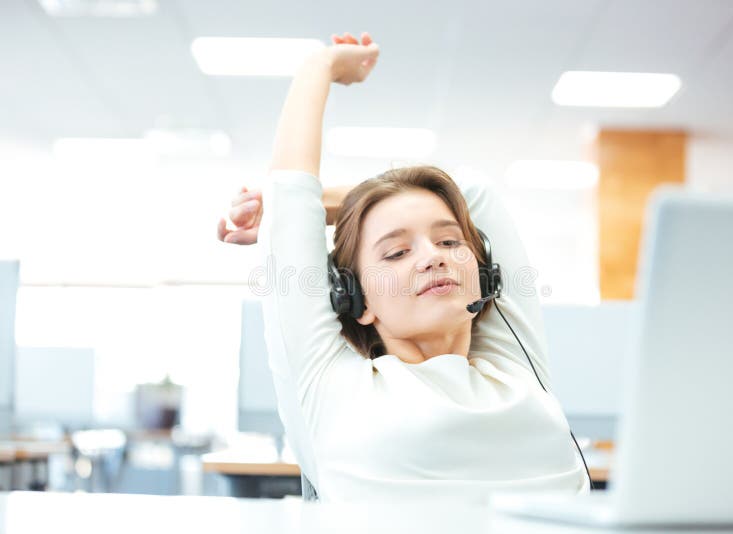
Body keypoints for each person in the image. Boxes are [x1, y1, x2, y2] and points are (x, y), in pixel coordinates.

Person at [217, 31, 590, 503]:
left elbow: (475, 192)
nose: (433, 256)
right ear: (356, 299)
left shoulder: (513, 366)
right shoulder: (332, 389)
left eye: (449, 240)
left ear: (484, 277)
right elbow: (295, 202)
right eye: (396, 253)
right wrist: (323, 66)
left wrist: (346, 204)